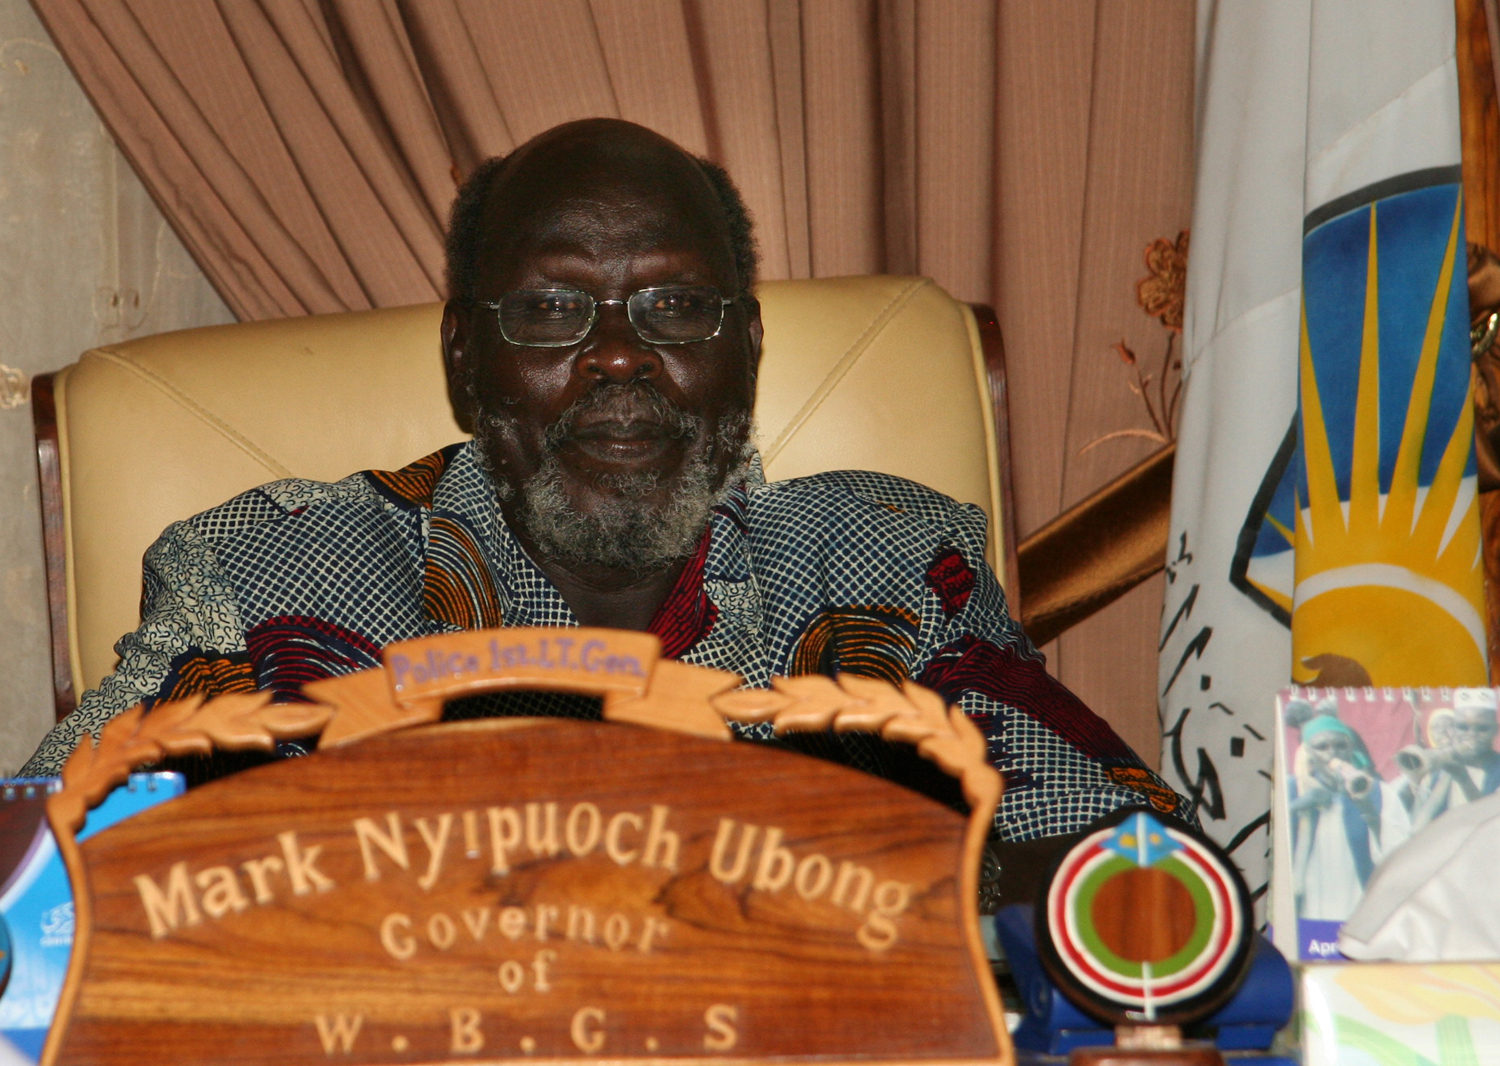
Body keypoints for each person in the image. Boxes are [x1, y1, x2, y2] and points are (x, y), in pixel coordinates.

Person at [19, 119, 1185, 845]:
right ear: (465, 358)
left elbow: (1121, 876)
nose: (620, 354)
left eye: (675, 305)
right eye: (551, 309)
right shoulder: (274, 577)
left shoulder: (885, 559)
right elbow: (46, 871)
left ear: (748, 350)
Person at [1289, 715, 1409, 923]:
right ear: (1309, 752)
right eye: (1322, 747)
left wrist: (1367, 808)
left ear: (1351, 749)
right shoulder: (1293, 790)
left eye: (1340, 745)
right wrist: (1298, 807)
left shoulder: (1379, 791)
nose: (1332, 752)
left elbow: (1399, 852)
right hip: (1311, 904)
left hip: (1361, 901)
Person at [1409, 690, 1500, 829]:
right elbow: (1417, 830)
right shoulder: (1438, 770)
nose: (1471, 735)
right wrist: (1447, 774)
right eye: (1463, 727)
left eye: (1482, 728)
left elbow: (1490, 825)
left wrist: (1463, 779)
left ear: (1496, 730)